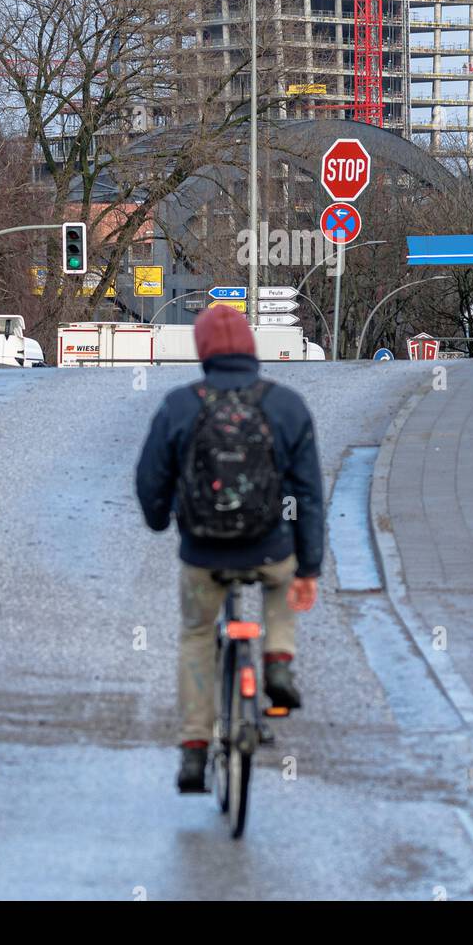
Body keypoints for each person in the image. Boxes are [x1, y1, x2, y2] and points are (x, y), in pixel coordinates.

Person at [135, 305, 325, 793]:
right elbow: (307, 495)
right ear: (252, 349)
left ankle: (195, 750)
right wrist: (309, 567)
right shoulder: (286, 406)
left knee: (198, 634)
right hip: (269, 549)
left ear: (202, 352)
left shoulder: (180, 405)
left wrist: (160, 521)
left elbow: (150, 479)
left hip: (203, 554)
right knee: (282, 586)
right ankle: (278, 662)